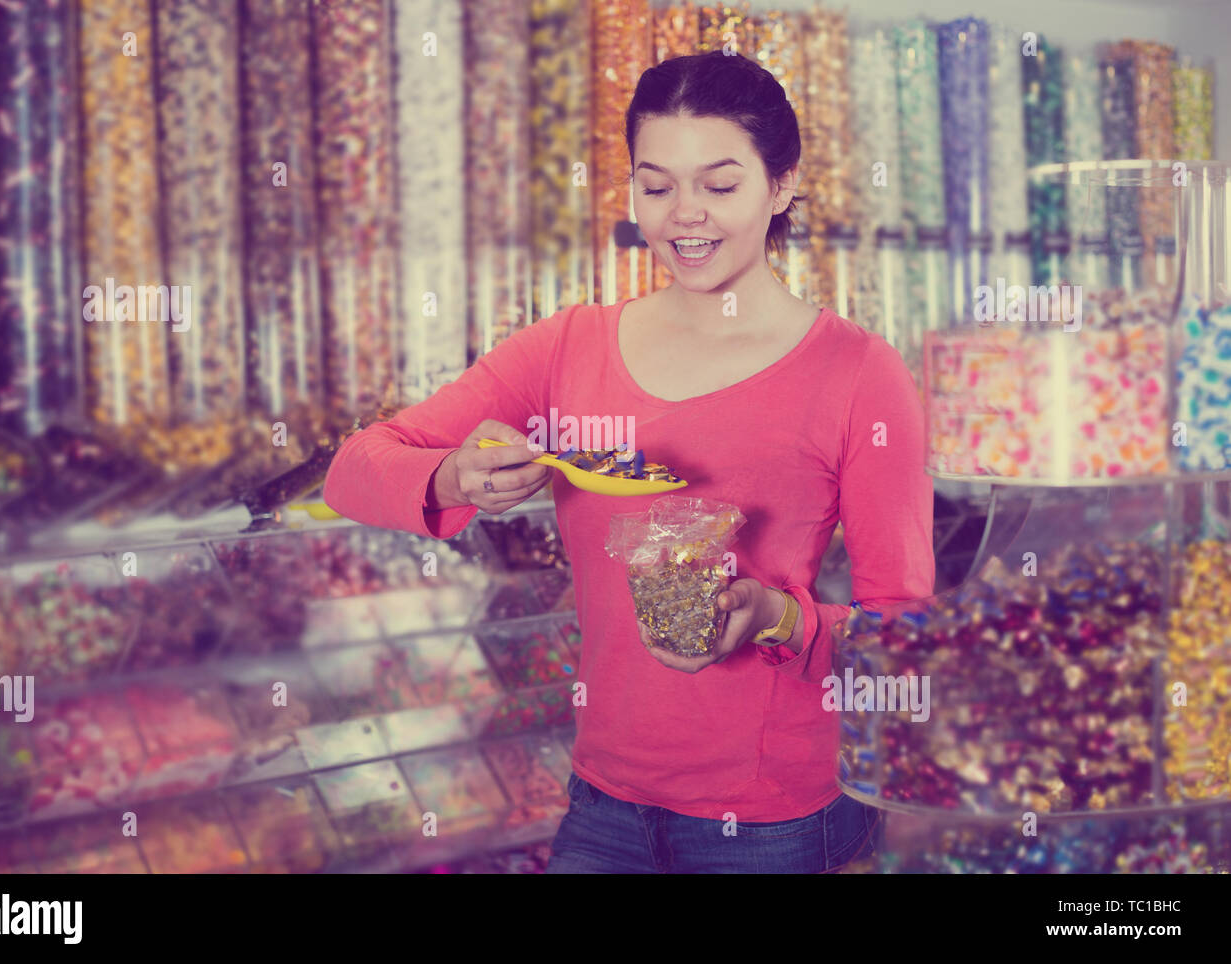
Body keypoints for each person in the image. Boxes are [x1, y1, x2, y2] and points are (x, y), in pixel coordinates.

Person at [323, 50, 934, 873]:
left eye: (720, 185)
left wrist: (776, 617)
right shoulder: (567, 348)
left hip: (776, 818)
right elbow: (354, 468)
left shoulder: (859, 372)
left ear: (781, 185)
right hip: (605, 803)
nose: (686, 215)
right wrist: (452, 476)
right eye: (657, 186)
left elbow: (907, 635)